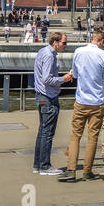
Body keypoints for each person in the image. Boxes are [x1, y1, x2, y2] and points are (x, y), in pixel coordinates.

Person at [59, 29, 104, 181]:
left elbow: (75, 74)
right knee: (92, 137)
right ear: (102, 42)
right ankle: (87, 172)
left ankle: (71, 170)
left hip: (81, 100)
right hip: (98, 102)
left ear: (92, 38)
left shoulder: (78, 51)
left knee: (75, 136)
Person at [32, 31, 74, 174]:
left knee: (42, 131)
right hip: (48, 97)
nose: (65, 46)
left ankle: (38, 165)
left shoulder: (42, 51)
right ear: (55, 43)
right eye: (64, 43)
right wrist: (65, 79)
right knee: (47, 133)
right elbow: (47, 79)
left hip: (41, 96)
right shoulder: (50, 56)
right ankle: (44, 166)